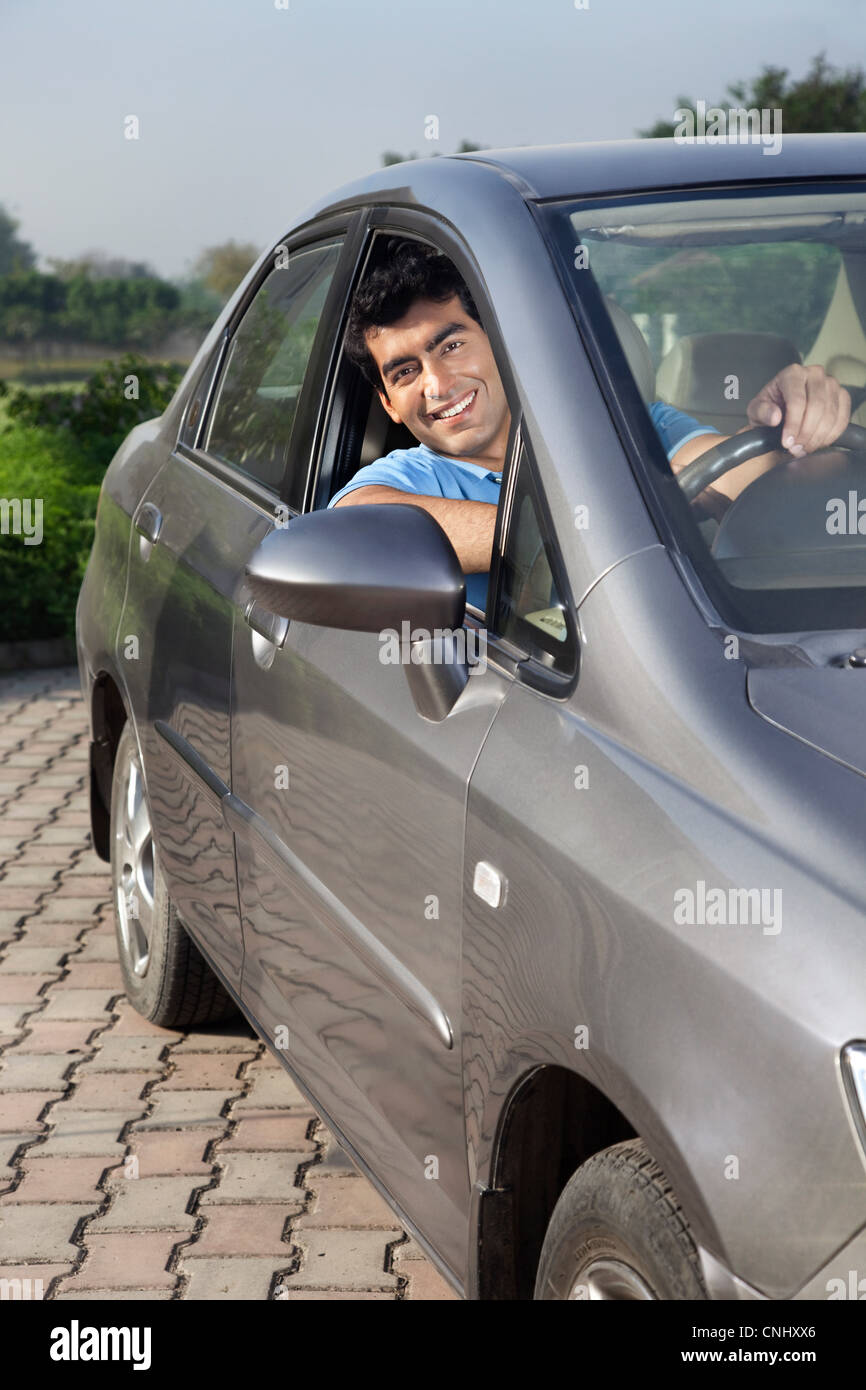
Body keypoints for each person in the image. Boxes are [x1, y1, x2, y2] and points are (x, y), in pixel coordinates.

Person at [330, 238, 851, 611]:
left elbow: (730, 473)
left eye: (452, 345)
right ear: (389, 403)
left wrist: (793, 426)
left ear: (501, 343)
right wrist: (604, 523)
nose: (438, 385)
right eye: (405, 372)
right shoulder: (409, 480)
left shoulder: (627, 427)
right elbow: (351, 531)